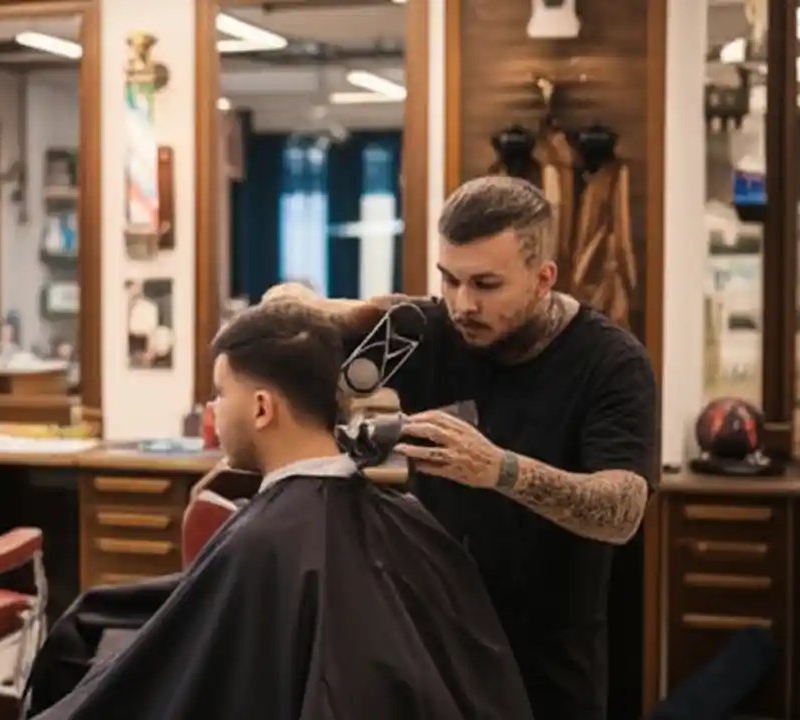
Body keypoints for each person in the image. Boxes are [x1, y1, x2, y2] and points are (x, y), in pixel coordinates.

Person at [267, 175, 656, 720]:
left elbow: (623, 510)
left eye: (486, 284)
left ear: (543, 278)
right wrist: (316, 309)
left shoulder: (610, 365)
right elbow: (293, 320)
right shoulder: (425, 332)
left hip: (545, 669)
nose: (462, 304)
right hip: (435, 652)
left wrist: (500, 470)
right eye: (449, 279)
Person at [30, 300, 532, 720]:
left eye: (220, 393)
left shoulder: (264, 541)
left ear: (262, 408)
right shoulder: (407, 522)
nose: (213, 409)